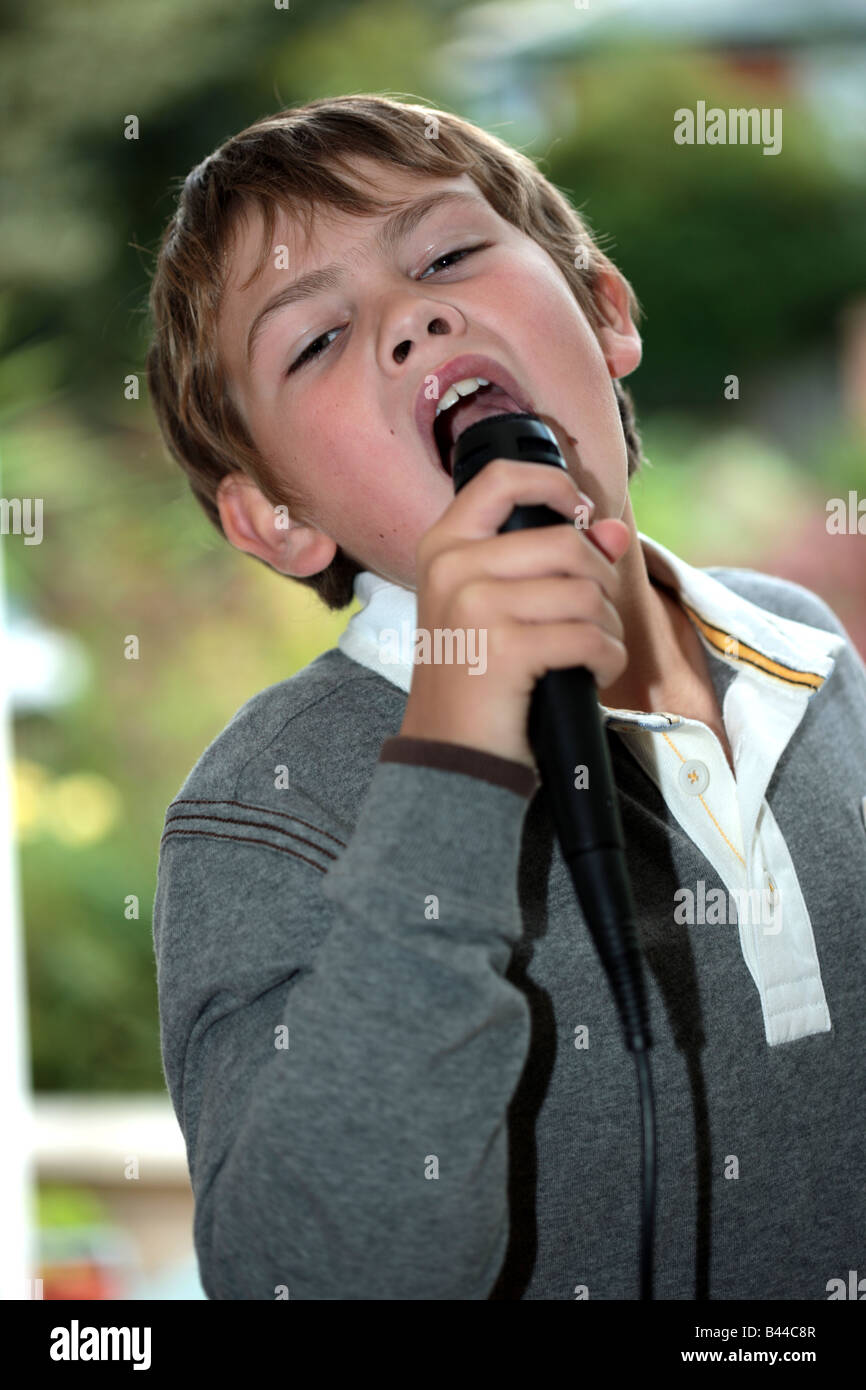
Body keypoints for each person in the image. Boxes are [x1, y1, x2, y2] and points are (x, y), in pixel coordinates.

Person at [146, 94, 866, 1300]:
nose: (410, 317)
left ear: (604, 310)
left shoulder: (806, 650)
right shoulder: (269, 811)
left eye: (443, 256)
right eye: (315, 341)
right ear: (274, 515)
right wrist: (459, 755)